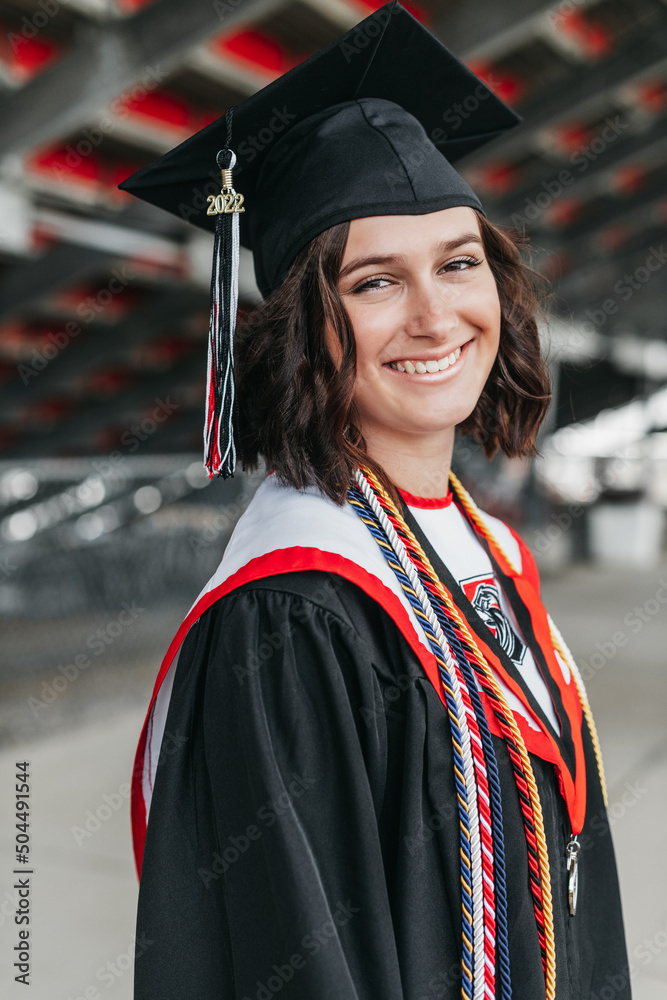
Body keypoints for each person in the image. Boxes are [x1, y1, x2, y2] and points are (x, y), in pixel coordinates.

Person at [120, 4, 631, 998]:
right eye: (374, 282)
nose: (436, 315)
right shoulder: (294, 613)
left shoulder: (479, 545)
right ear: (307, 327)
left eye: (457, 261)